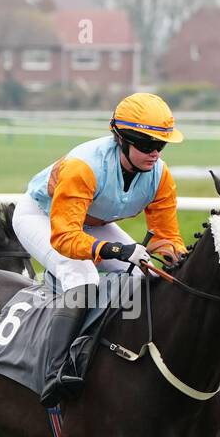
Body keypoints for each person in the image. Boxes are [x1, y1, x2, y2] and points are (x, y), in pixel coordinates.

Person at [12, 93, 186, 406]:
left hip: (91, 222)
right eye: (147, 145)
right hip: (43, 217)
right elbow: (66, 238)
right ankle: (55, 369)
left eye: (161, 145)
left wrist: (179, 258)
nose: (155, 154)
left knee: (142, 275)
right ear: (121, 139)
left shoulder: (161, 177)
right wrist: (116, 250)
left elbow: (166, 236)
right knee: (83, 277)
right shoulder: (84, 167)